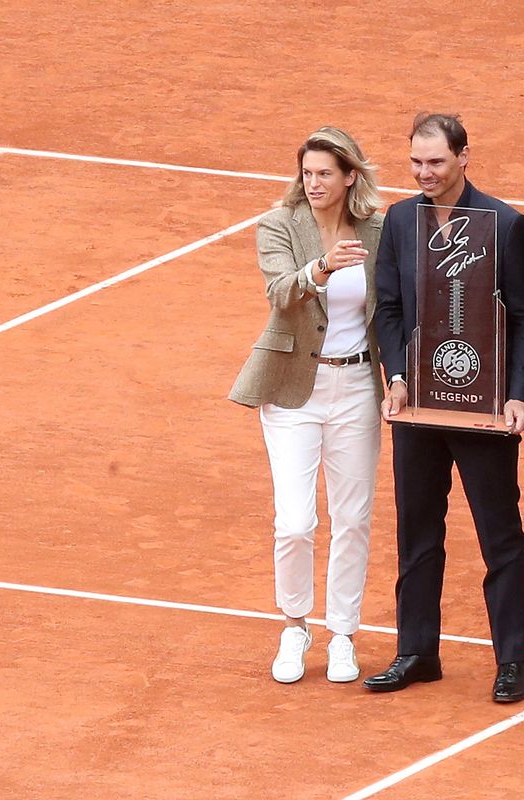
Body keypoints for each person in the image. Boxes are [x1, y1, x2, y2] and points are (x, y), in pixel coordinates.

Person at [364, 113, 524, 703]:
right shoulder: (399, 220)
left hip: (483, 412)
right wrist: (395, 376)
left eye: (435, 162)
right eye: (415, 162)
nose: (424, 173)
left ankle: (511, 661)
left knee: (500, 538)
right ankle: (416, 651)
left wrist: (518, 393)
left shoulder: (507, 225)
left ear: (465, 158)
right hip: (417, 412)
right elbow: (387, 308)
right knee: (416, 532)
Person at [228, 127, 385, 685]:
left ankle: (343, 634)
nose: (313, 183)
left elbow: (392, 305)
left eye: (324, 173)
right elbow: (279, 291)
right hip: (296, 389)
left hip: (359, 388)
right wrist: (321, 269)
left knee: (353, 519)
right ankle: (294, 625)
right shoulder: (278, 225)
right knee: (295, 522)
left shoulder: (377, 229)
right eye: (307, 173)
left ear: (350, 178)